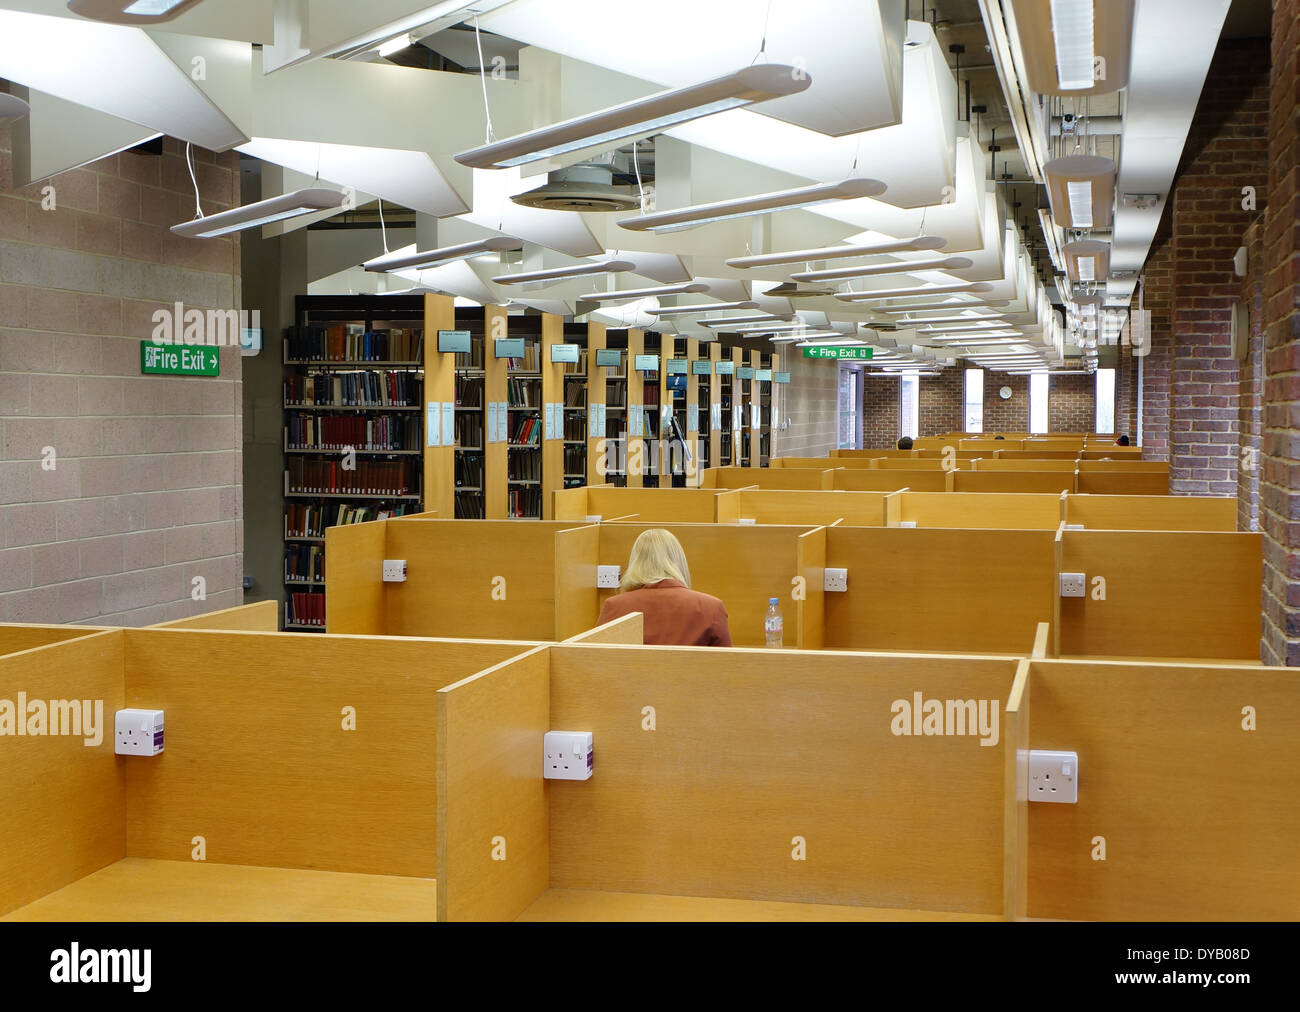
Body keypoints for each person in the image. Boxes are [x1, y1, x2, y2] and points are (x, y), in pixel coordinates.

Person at [597, 529, 732, 646]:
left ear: (636, 562)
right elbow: (727, 668)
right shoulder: (711, 607)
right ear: (679, 561)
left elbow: (595, 662)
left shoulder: (615, 606)